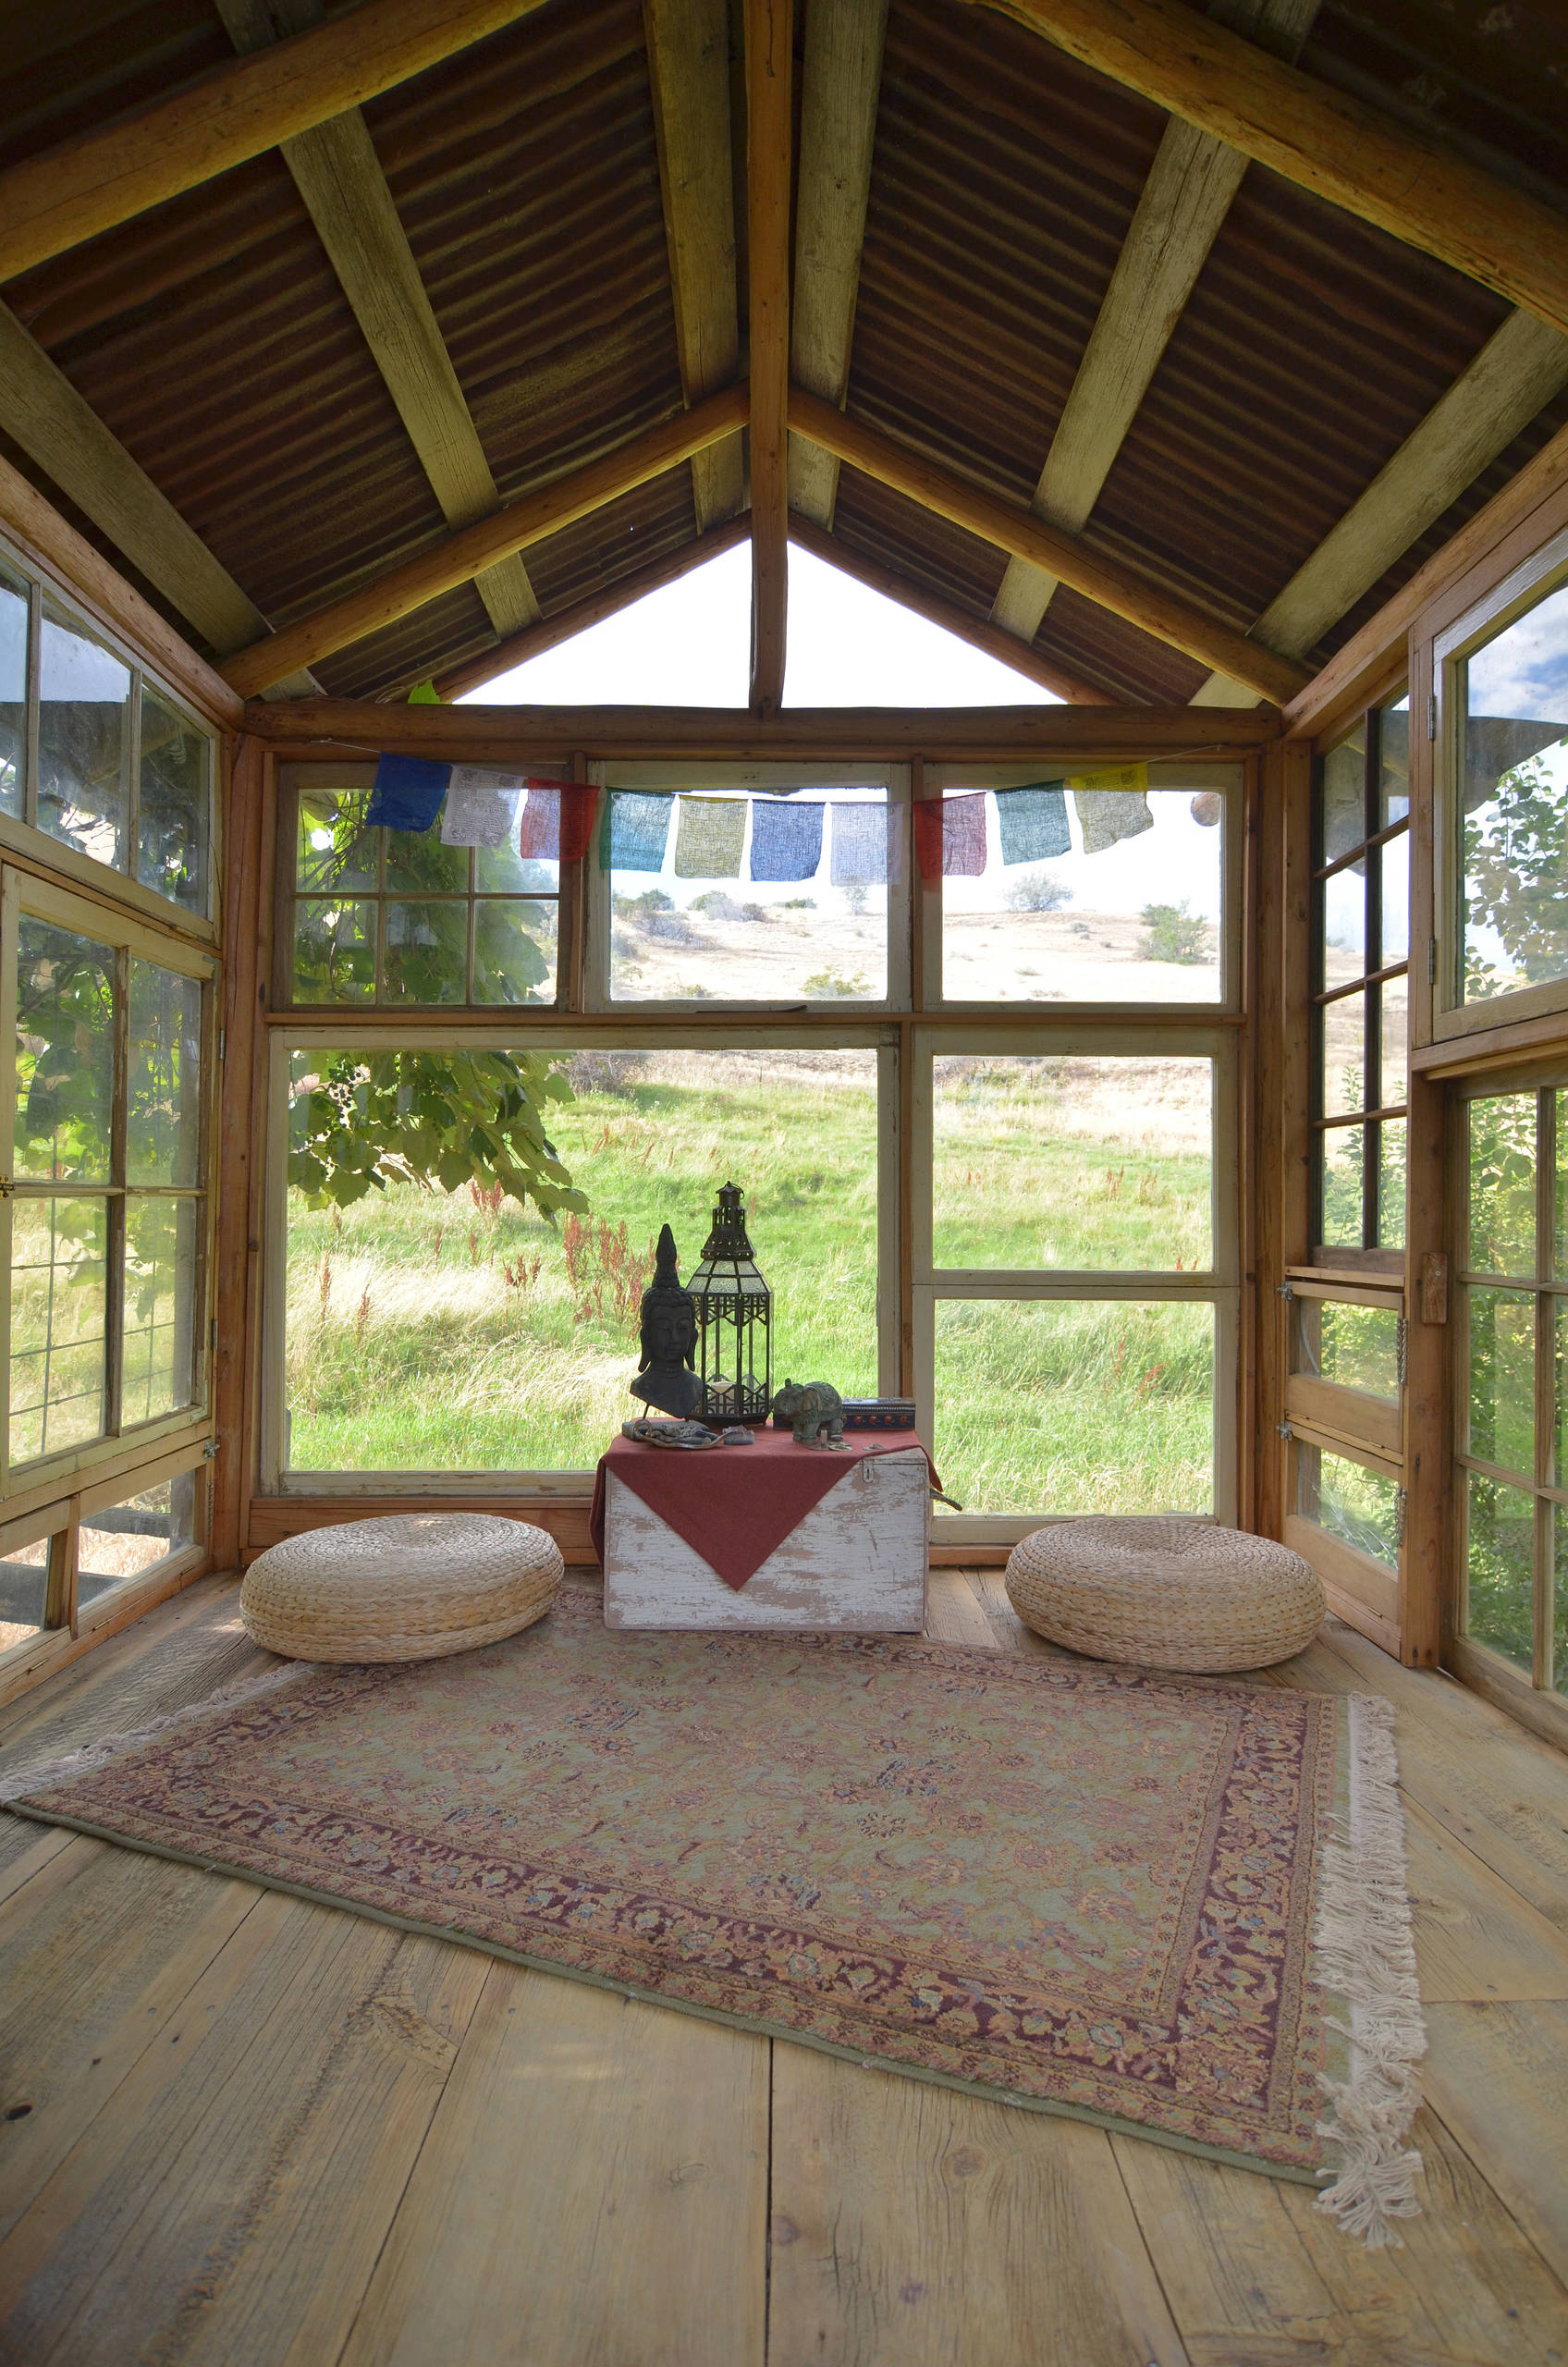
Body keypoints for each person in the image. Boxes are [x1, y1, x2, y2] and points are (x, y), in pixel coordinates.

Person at [630, 1224, 706, 1418]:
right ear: (646, 1337)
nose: (674, 1338)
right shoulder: (643, 1386)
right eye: (664, 1328)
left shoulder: (695, 1386)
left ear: (693, 1336)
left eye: (682, 1328)